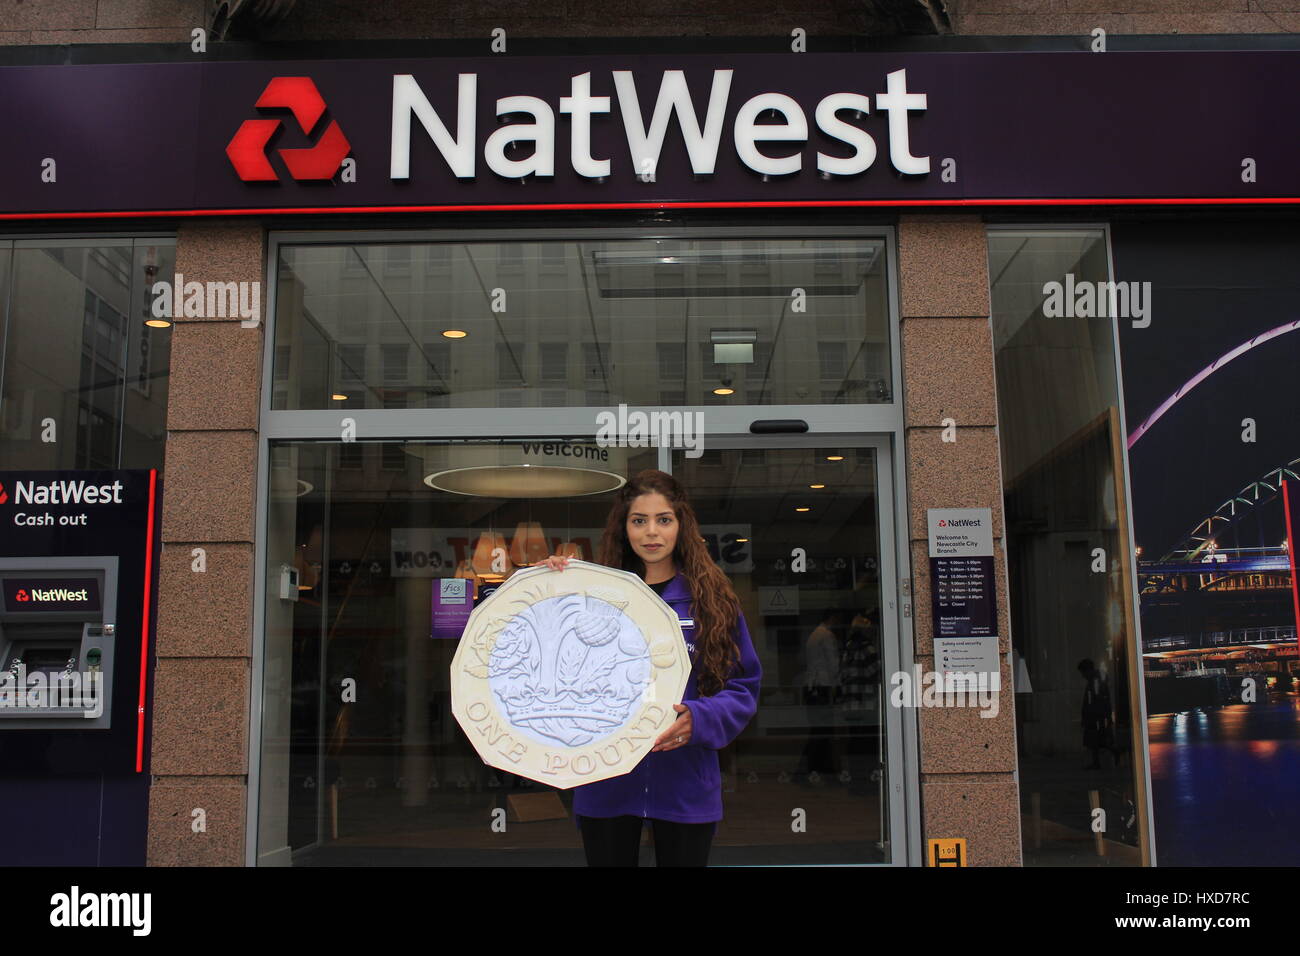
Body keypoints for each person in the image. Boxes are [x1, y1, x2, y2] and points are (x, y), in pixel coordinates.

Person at [537, 468, 761, 867]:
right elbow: (546, 663)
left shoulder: (711, 601)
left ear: (681, 525)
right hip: (604, 782)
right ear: (624, 529)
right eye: (639, 521)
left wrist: (701, 718)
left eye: (664, 520)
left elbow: (744, 686)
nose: (651, 532)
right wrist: (549, 587)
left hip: (685, 782)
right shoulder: (594, 595)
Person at [1078, 658, 1114, 770]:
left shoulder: (1095, 681)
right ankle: (1100, 761)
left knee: (1097, 740)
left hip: (1096, 716)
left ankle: (1101, 761)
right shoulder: (1097, 680)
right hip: (1096, 716)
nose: (1083, 676)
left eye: (1083, 673)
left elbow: (1096, 700)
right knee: (1098, 741)